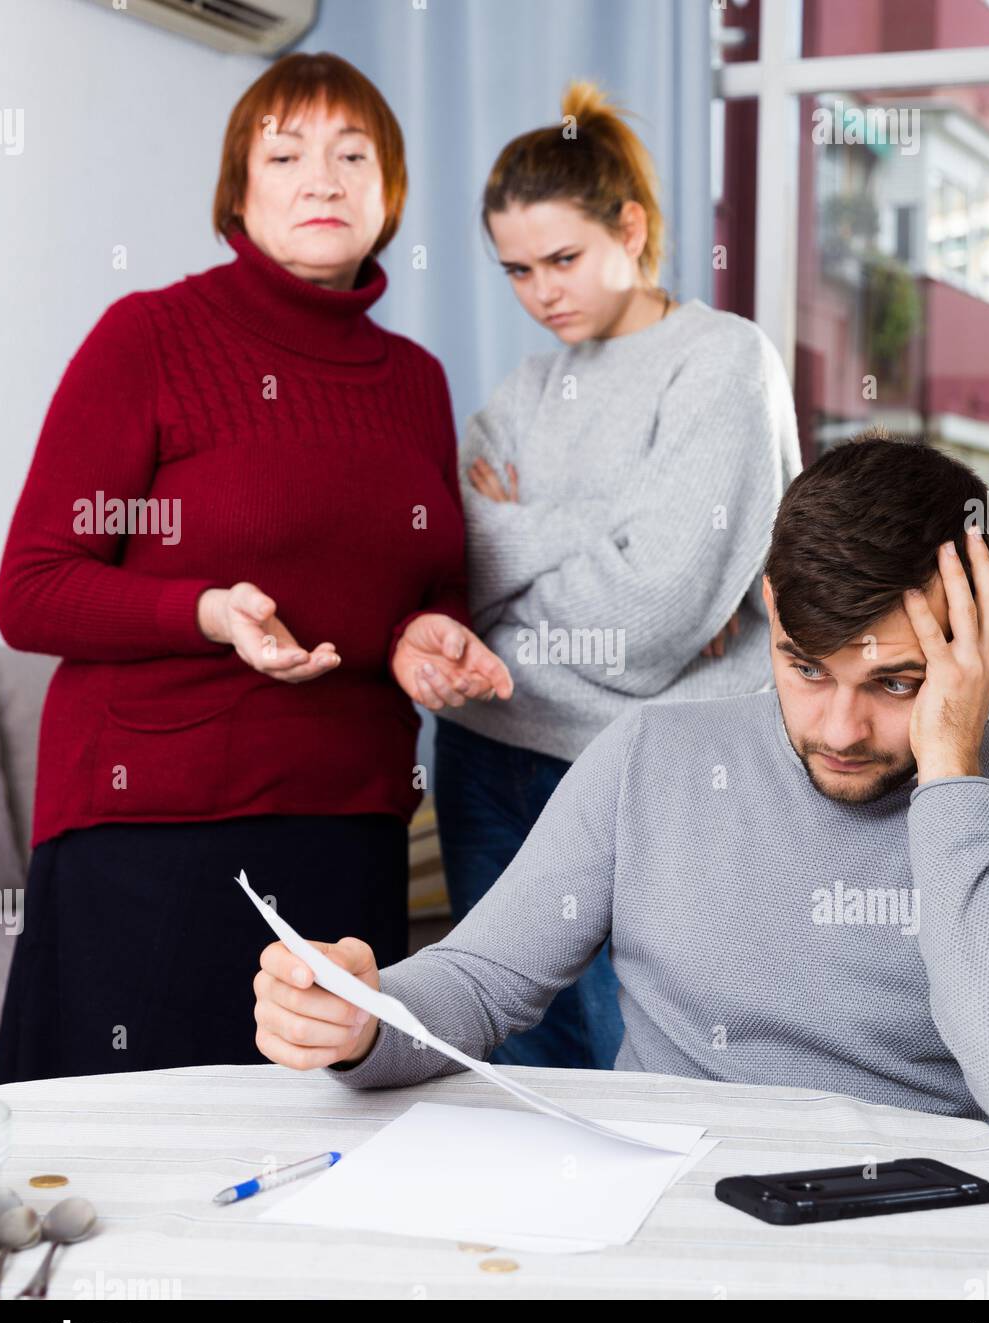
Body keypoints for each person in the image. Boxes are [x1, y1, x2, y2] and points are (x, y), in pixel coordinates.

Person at [253, 434, 989, 1148]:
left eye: (895, 684)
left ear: (983, 654)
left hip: (912, 1244)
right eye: (805, 668)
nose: (838, 730)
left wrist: (951, 777)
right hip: (664, 1221)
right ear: (769, 607)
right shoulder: (649, 756)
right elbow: (484, 982)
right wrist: (362, 1022)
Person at [0, 53, 510, 1085]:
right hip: (155, 829)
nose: (322, 178)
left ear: (388, 194)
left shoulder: (415, 379)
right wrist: (206, 611)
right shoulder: (148, 336)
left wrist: (426, 634)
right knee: (140, 1161)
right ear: (239, 192)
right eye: (287, 154)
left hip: (349, 823)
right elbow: (31, 587)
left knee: (322, 1143)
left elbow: (431, 578)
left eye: (352, 155)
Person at [425, 81, 801, 1069]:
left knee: (639, 1065)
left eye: (562, 258)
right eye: (515, 269)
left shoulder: (723, 362)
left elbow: (645, 623)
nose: (542, 291)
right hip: (481, 751)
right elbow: (449, 563)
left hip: (639, 763)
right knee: (506, 1065)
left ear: (628, 227)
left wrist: (519, 534)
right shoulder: (524, 388)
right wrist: (613, 526)